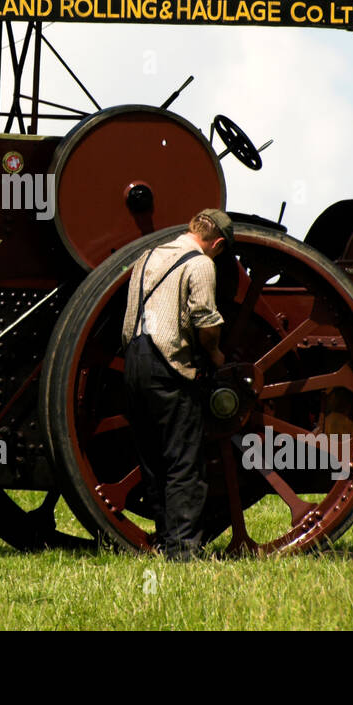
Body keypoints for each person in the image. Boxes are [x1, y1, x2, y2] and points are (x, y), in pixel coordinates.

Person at [120, 208, 234, 562]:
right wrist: (216, 356)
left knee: (152, 461)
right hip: (168, 366)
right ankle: (184, 550)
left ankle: (166, 540)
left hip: (134, 361)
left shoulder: (146, 256)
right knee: (184, 462)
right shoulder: (200, 264)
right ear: (216, 242)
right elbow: (205, 319)